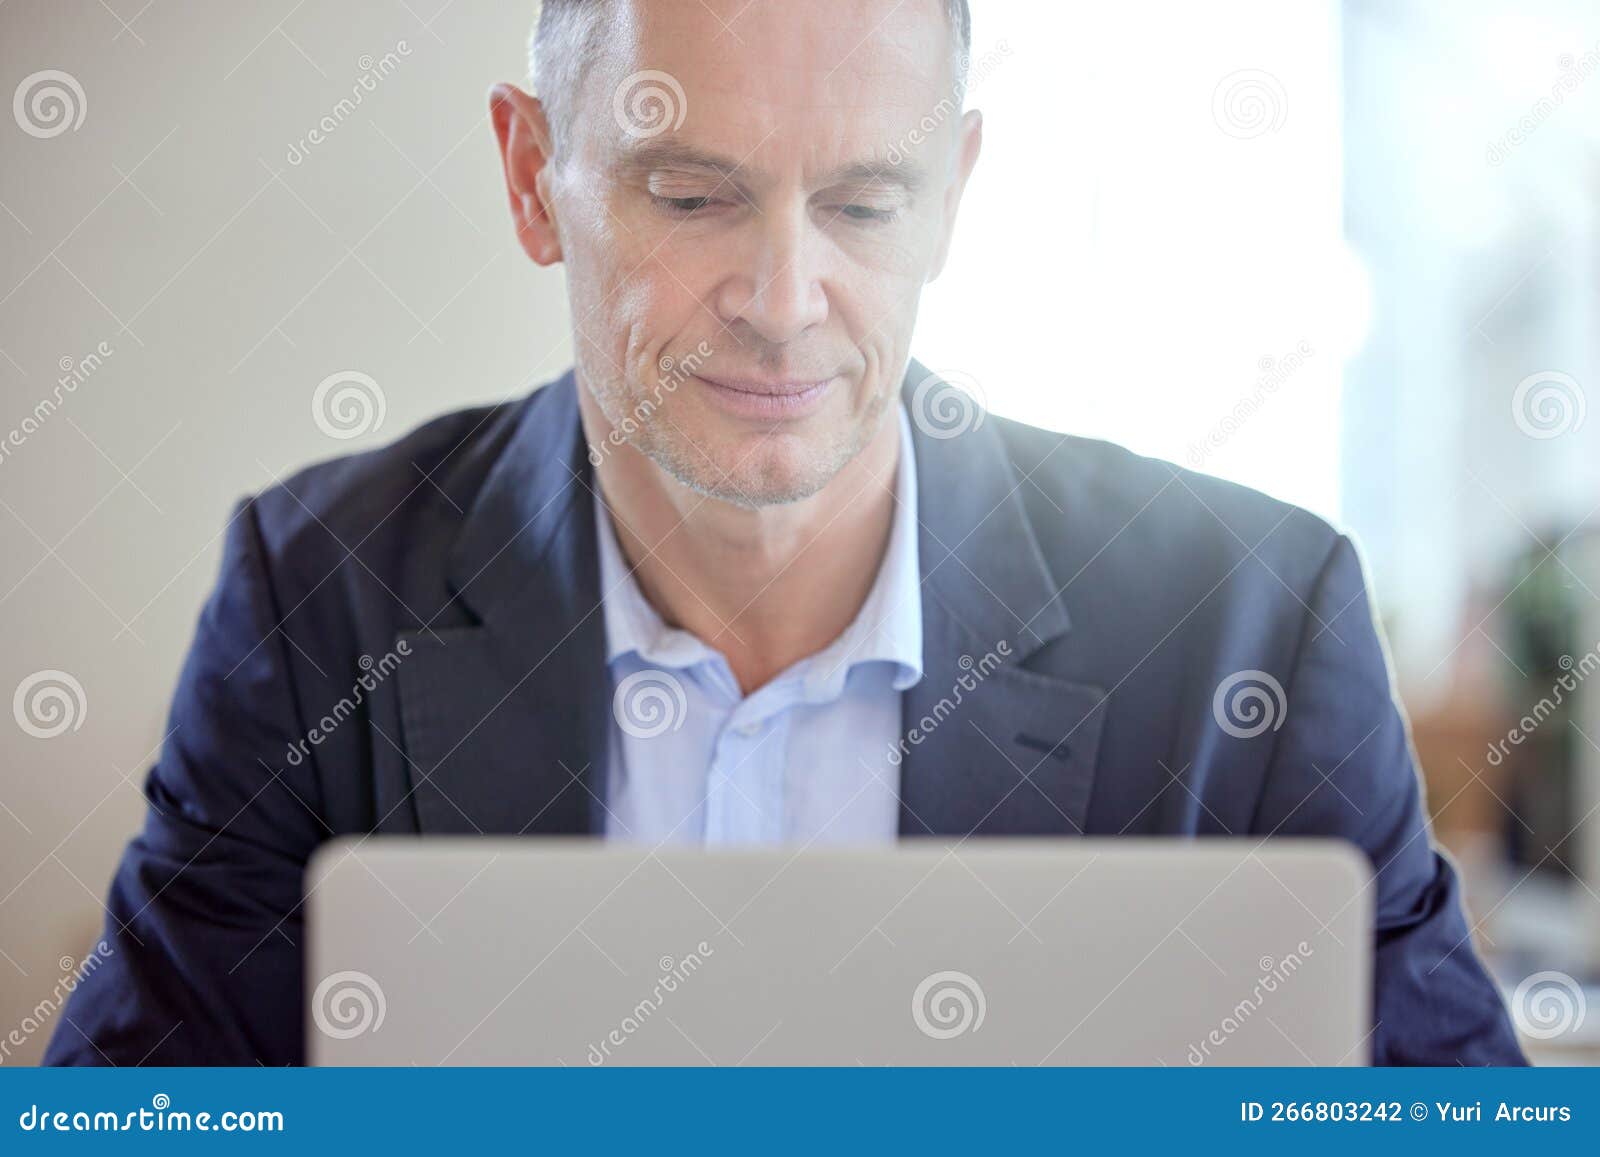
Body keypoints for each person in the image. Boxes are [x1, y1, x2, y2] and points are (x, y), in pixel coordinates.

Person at [45, 0, 1525, 1066]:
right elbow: (137, 1115)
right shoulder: (323, 602)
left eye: (867, 206)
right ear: (530, 175)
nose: (781, 296)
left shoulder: (1252, 627)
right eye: (692, 194)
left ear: (954, 196)